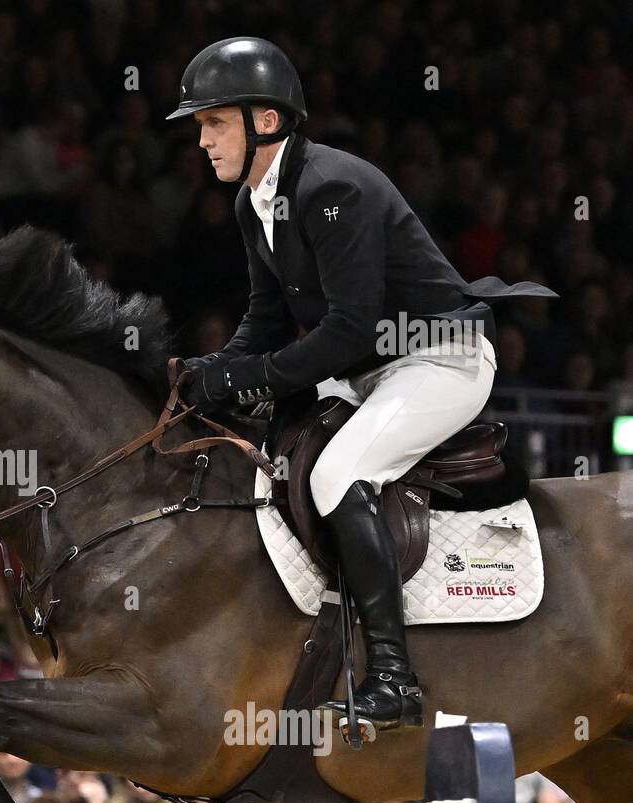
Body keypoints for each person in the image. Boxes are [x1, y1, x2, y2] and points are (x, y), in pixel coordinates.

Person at [169, 37, 555, 733]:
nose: (201, 140)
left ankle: (394, 676)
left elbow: (346, 330)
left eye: (212, 122)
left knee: (337, 475)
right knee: (275, 460)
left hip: (441, 360)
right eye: (200, 126)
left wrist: (248, 375)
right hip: (370, 372)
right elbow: (266, 317)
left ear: (265, 120)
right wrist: (213, 372)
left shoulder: (331, 188)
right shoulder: (253, 203)